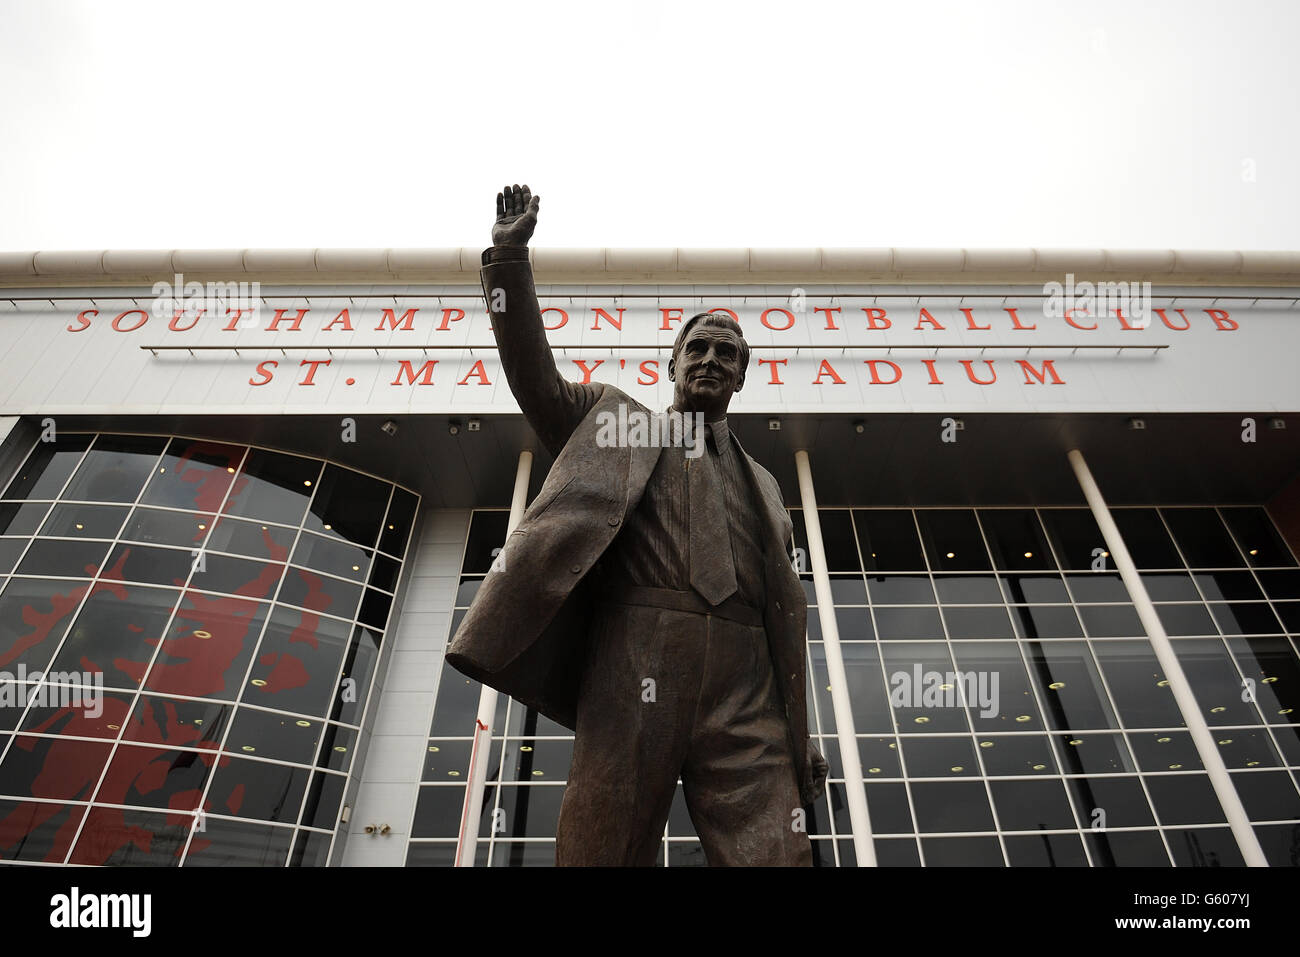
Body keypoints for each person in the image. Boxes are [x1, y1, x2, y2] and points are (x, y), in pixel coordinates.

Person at [446, 184, 826, 865]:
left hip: (747, 680)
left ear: (743, 376)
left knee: (778, 849)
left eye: (726, 354)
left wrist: (803, 729)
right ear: (670, 364)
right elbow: (536, 379)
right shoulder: (614, 422)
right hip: (639, 653)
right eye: (699, 349)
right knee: (605, 844)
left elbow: (784, 613)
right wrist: (508, 258)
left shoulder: (766, 485)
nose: (711, 360)